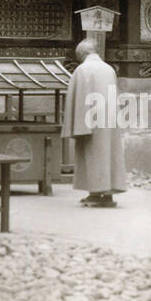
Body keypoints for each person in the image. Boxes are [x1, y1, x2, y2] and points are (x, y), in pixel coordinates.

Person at [61, 38, 127, 207]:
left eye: (78, 56)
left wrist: (75, 124)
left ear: (82, 53)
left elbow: (77, 97)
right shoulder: (109, 69)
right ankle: (108, 193)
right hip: (109, 120)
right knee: (109, 155)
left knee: (93, 156)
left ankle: (96, 193)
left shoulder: (82, 69)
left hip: (89, 120)